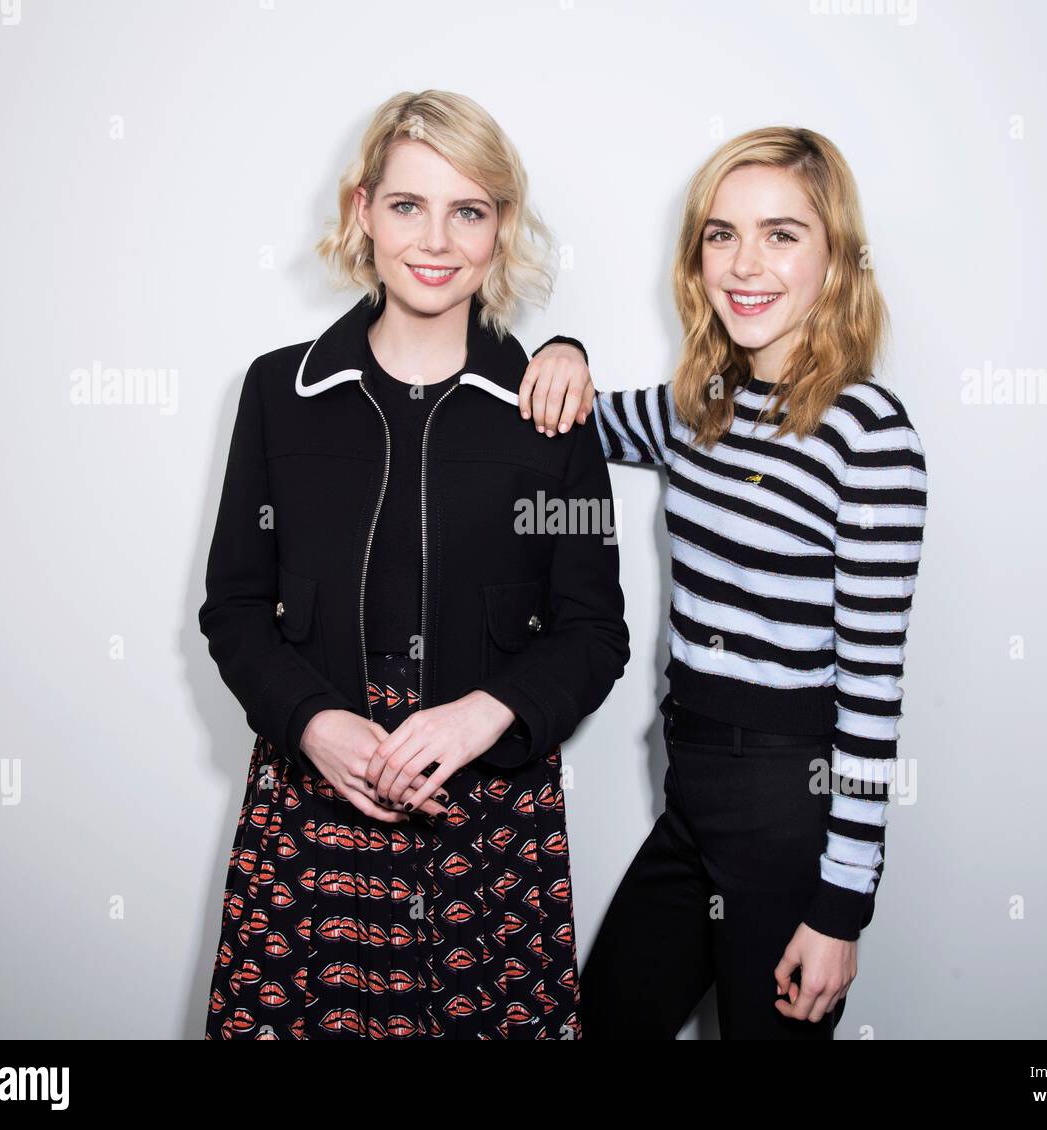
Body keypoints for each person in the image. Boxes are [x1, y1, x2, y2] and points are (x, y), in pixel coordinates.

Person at [198, 89, 628, 1040]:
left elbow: (596, 633)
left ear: (501, 227)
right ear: (363, 212)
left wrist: (482, 717)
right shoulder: (277, 393)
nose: (436, 239)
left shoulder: (553, 411)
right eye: (407, 206)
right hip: (313, 812)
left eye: (468, 210)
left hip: (492, 828)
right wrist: (312, 724)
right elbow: (232, 608)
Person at [523, 126, 928, 1039]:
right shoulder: (699, 405)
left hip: (790, 811)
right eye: (721, 234)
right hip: (690, 793)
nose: (745, 263)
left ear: (835, 262)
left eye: (783, 234)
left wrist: (839, 914)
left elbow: (871, 696)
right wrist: (562, 349)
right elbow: (569, 419)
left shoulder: (872, 440)